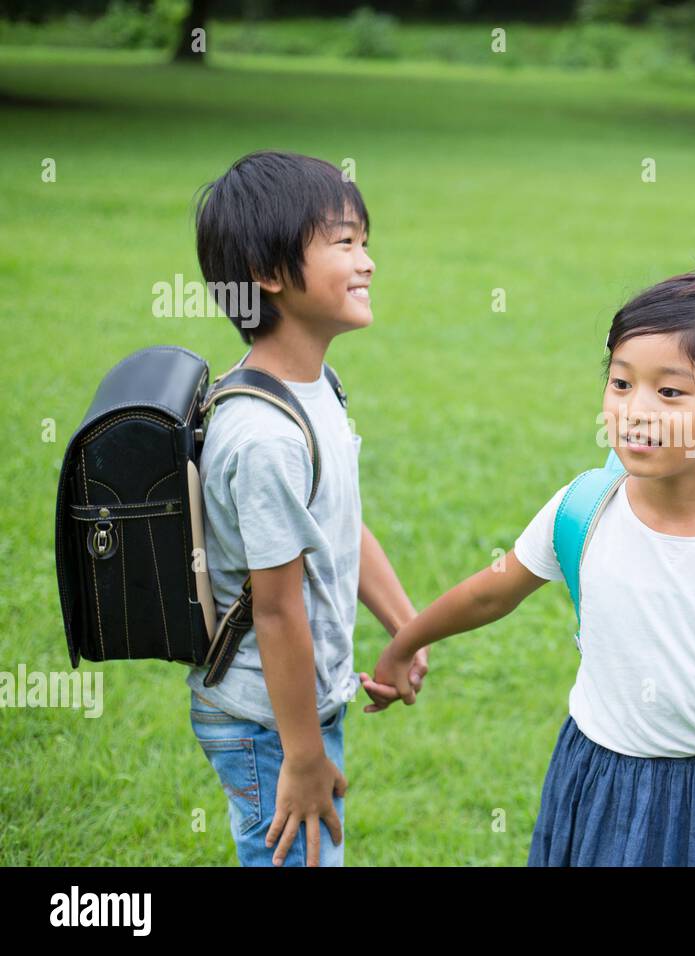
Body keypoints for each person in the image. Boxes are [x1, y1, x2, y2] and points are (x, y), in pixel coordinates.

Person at [373, 260, 695, 865]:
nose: (635, 410)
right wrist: (406, 641)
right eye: (621, 384)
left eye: (670, 391)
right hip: (603, 788)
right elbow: (493, 591)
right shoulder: (584, 510)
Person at [187, 150, 427, 866]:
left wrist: (405, 627)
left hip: (295, 708)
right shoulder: (263, 435)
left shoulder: (316, 387)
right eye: (345, 243)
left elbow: (337, 523)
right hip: (268, 723)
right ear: (267, 274)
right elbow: (277, 609)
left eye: (365, 242)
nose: (368, 262)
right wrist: (301, 757)